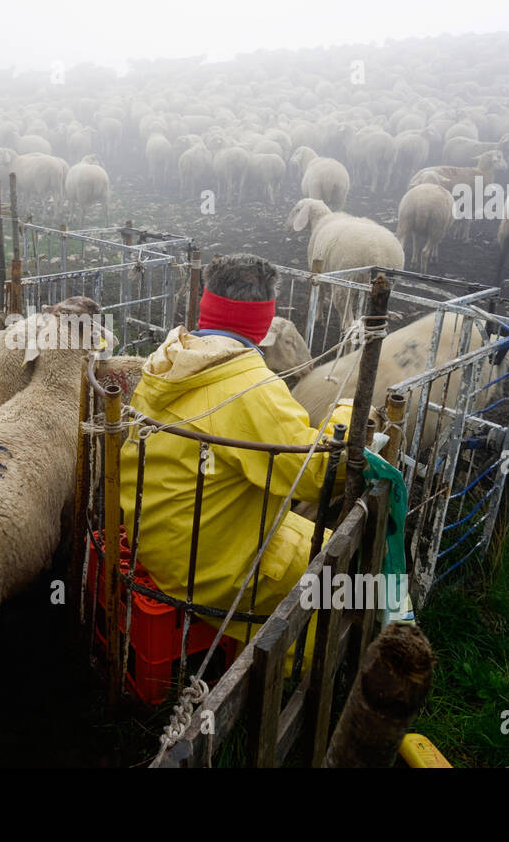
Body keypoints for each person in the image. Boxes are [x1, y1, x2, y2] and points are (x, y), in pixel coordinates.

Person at [118, 253, 351, 645]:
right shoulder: (253, 387)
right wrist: (344, 413)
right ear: (263, 320)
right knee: (351, 573)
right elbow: (316, 475)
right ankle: (296, 668)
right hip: (210, 568)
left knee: (303, 528)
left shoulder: (169, 357)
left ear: (207, 305)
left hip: (155, 538)